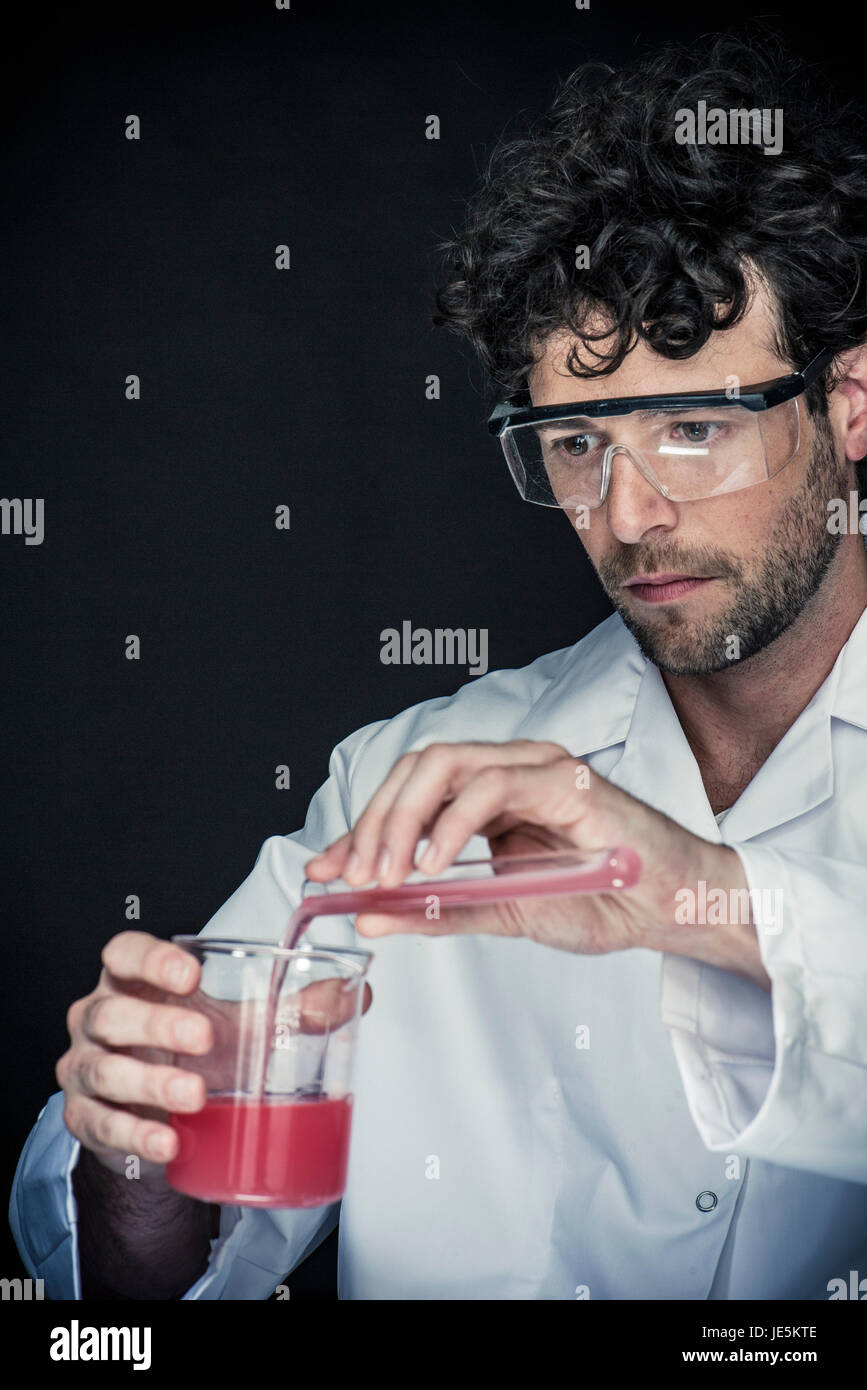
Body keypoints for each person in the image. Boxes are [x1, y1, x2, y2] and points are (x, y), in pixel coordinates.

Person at [10, 30, 867, 1300]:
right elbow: (148, 1282)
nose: (627, 515)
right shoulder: (408, 789)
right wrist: (142, 1139)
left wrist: (701, 894)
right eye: (575, 444)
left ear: (850, 406)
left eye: (694, 427)